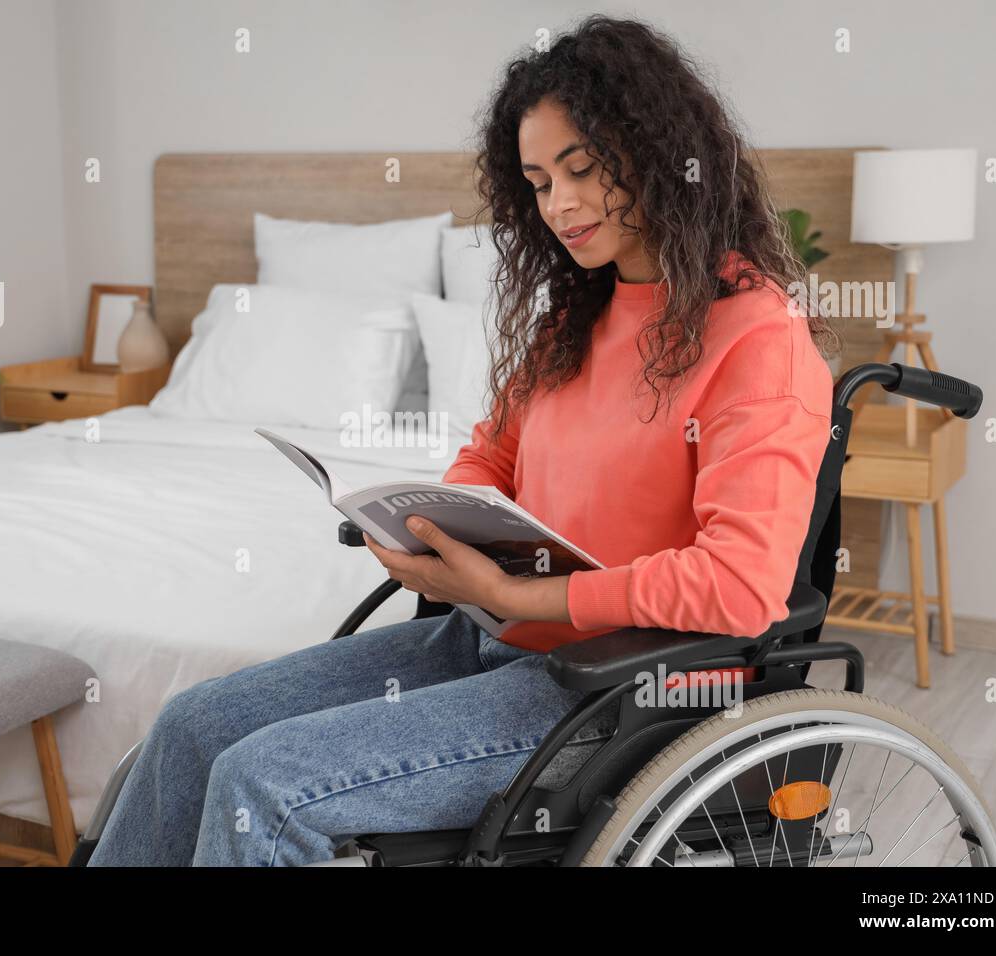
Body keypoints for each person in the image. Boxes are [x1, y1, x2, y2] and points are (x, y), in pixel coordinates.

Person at [88, 15, 837, 867]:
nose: (559, 206)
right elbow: (491, 453)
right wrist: (435, 525)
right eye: (538, 182)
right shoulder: (578, 316)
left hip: (621, 691)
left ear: (660, 151)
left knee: (266, 782)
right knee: (193, 725)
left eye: (582, 171)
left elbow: (740, 588)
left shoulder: (757, 339)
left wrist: (524, 600)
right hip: (486, 641)